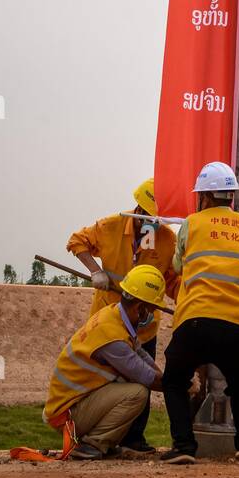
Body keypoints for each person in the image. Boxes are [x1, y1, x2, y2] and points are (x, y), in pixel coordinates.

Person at [160, 161, 239, 466]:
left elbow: (179, 266)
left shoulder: (192, 223)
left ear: (204, 197)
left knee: (175, 379)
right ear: (230, 196)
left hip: (197, 318)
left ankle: (183, 446)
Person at [66, 177, 179, 452]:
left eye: (158, 220)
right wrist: (95, 270)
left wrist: (191, 300)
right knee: (109, 379)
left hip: (145, 327)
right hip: (108, 324)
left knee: (141, 378)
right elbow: (76, 241)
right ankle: (95, 433)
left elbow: (173, 281)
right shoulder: (110, 226)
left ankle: (133, 439)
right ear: (138, 210)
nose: (153, 225)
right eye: (149, 218)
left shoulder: (167, 239)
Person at [43, 264, 166, 459]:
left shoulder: (114, 314)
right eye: (151, 309)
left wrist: (167, 376)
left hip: (73, 404)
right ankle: (93, 444)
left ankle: (99, 442)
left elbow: (141, 355)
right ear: (140, 308)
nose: (152, 315)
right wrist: (181, 385)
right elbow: (147, 377)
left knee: (129, 385)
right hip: (67, 415)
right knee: (138, 392)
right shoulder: (113, 337)